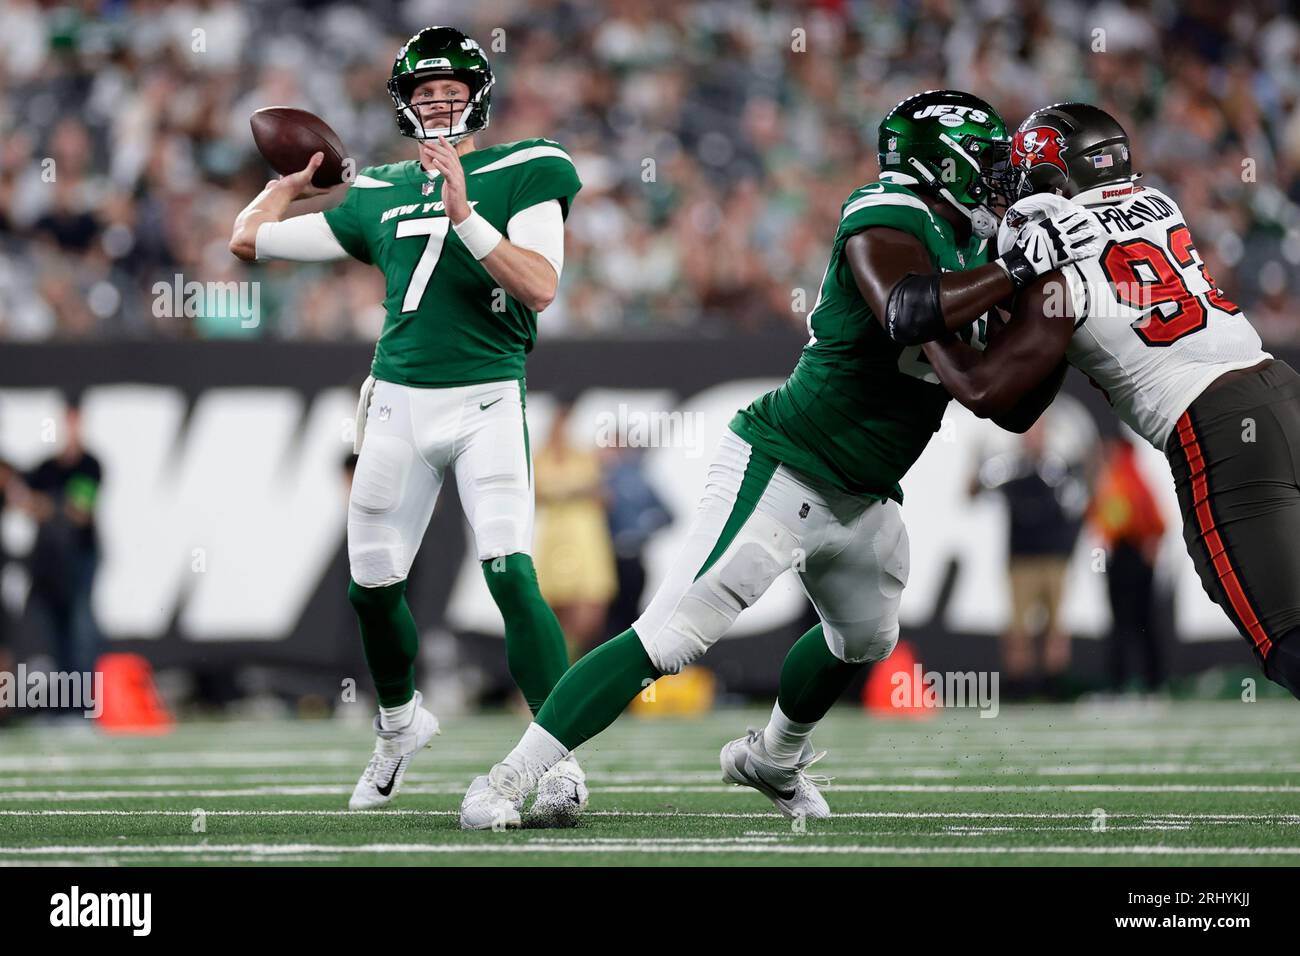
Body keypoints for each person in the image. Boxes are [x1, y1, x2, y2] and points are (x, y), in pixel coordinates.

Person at [459, 90, 1104, 829]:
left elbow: (1006, 400)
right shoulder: (891, 212)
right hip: (784, 462)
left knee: (864, 636)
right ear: (941, 161)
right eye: (986, 162)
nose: (997, 181)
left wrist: (1058, 302)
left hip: (864, 489)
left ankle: (772, 756)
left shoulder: (979, 247)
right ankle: (505, 781)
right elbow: (908, 309)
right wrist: (1019, 273)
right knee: (668, 637)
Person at [228, 26, 587, 819]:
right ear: (402, 107)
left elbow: (539, 286)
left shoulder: (530, 166)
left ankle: (555, 755)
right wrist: (290, 182)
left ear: (478, 99)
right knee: (370, 590)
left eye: (451, 93)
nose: (438, 106)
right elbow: (247, 239)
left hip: (488, 395)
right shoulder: (376, 191)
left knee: (509, 572)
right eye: (424, 96)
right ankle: (398, 728)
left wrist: (463, 213)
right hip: (395, 399)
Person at [905, 102, 1300, 699]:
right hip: (1281, 385)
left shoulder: (1050, 245)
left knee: (1284, 635)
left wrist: (930, 319)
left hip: (1217, 424)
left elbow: (994, 395)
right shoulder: (1159, 204)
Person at [975, 420, 1084, 699]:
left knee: (1056, 625)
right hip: (1021, 558)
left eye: (1038, 434)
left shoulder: (1057, 469)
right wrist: (976, 464)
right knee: (1018, 626)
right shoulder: (1008, 468)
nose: (1033, 440)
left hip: (1054, 558)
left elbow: (1079, 505)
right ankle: (1018, 684)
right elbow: (974, 490)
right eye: (1029, 434)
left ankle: (1054, 683)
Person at [21, 400, 103, 684]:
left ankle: (81, 705)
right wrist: (56, 504)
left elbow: (80, 512)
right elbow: (25, 501)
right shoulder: (46, 467)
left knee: (81, 631)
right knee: (52, 634)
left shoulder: (90, 465)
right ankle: (59, 706)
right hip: (49, 564)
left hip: (80, 559)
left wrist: (49, 505)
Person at [532, 403, 618, 660]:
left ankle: (568, 666)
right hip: (555, 539)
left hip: (586, 539)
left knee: (589, 613)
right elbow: (533, 494)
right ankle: (554, 673)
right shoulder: (539, 458)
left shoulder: (586, 457)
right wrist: (575, 490)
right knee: (553, 610)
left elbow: (605, 495)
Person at [1089, 433, 1167, 693]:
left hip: (1127, 557)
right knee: (1140, 623)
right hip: (1131, 559)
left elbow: (1115, 522)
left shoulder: (1120, 482)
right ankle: (1150, 682)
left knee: (1126, 623)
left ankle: (1124, 683)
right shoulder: (1135, 481)